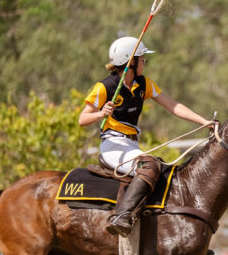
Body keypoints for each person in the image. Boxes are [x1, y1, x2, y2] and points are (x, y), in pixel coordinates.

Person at [79, 36, 211, 237]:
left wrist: (205, 122)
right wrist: (101, 113)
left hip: (131, 147)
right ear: (130, 61)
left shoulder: (144, 84)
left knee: (167, 173)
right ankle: (121, 216)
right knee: (150, 166)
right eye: (142, 59)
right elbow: (82, 119)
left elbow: (174, 106)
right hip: (113, 146)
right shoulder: (104, 87)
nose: (144, 63)